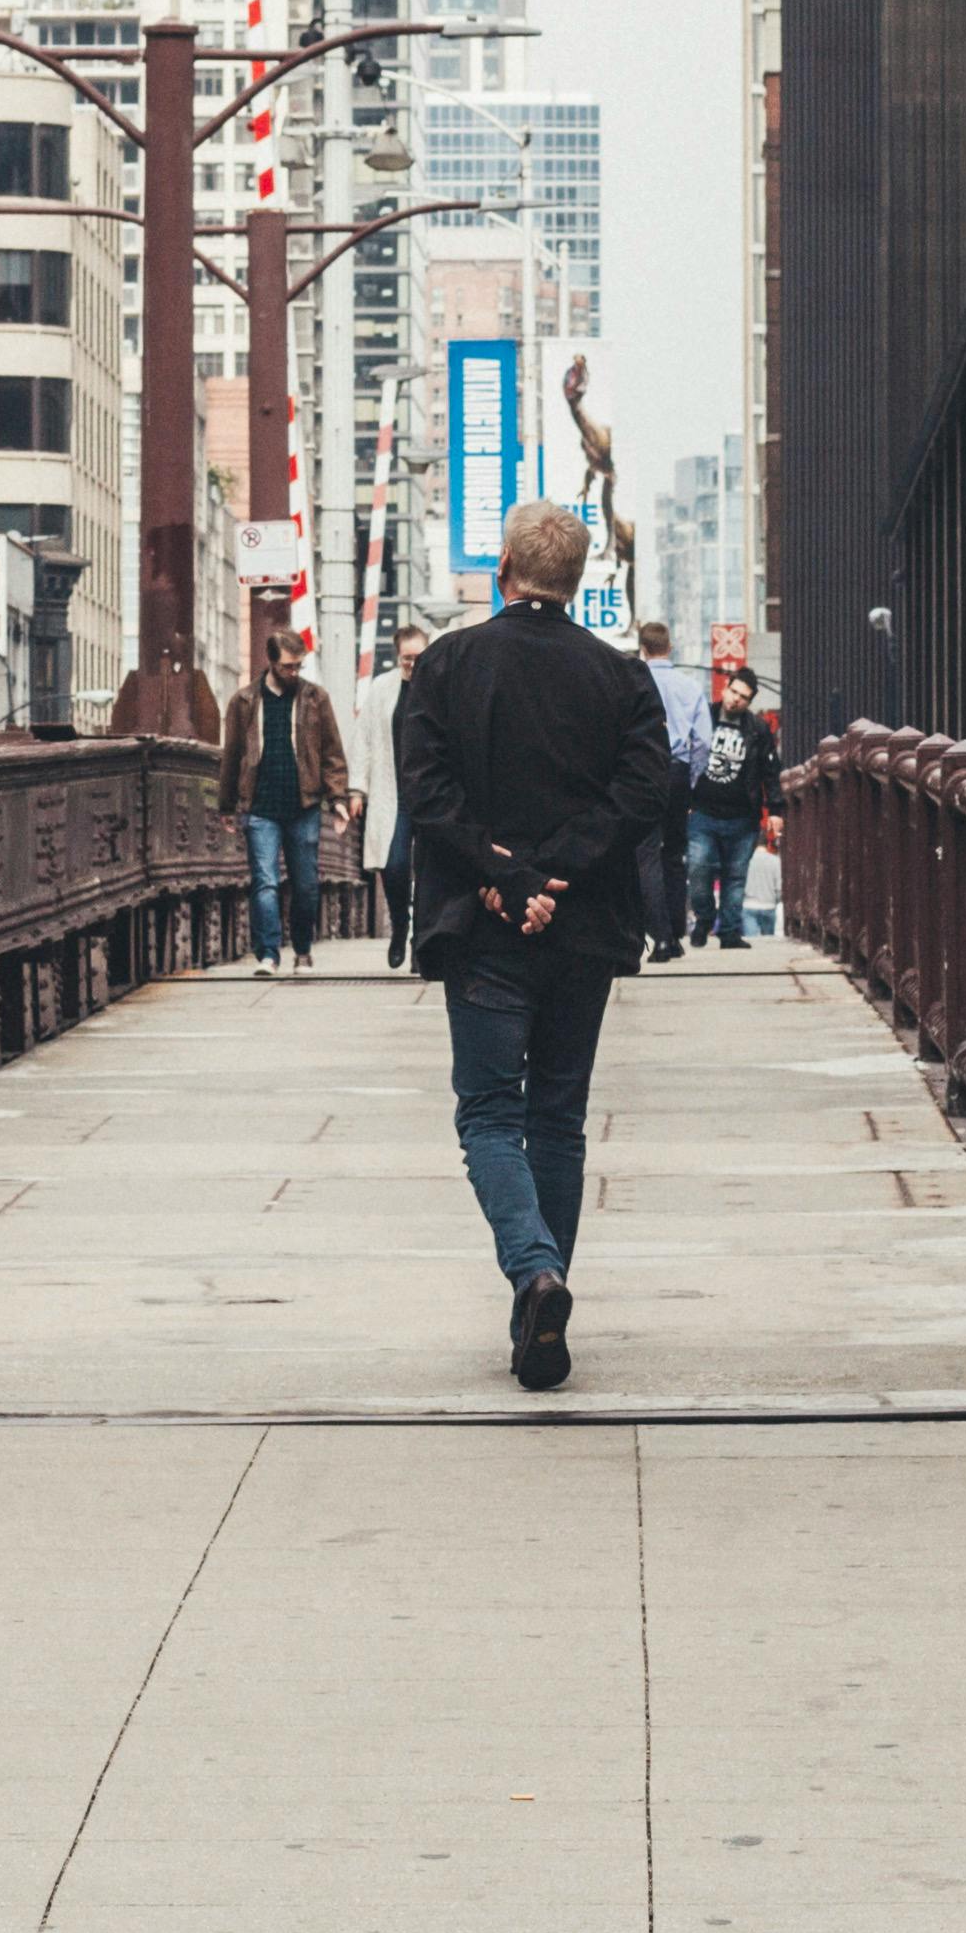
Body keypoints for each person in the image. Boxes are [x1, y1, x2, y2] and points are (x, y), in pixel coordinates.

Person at [397, 502, 680, 1390]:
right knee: (557, 1117)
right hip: (585, 928)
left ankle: (534, 1273)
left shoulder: (444, 665)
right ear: (577, 577)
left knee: (488, 1113)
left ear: (506, 568)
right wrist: (558, 871)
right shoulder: (620, 677)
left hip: (482, 929)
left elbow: (425, 789)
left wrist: (503, 874)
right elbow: (646, 789)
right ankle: (544, 1297)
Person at [212, 633, 351, 975]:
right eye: (288, 666)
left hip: (303, 805)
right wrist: (227, 804)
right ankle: (269, 955)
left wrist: (338, 799)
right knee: (265, 882)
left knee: (305, 884)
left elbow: (332, 752)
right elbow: (231, 755)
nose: (294, 672)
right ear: (271, 662)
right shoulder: (244, 701)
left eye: (298, 666)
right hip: (260, 807)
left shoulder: (316, 698)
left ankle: (302, 952)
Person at [630, 621, 711, 961]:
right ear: (670, 647)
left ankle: (660, 936)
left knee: (645, 852)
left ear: (642, 648)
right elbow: (703, 741)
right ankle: (676, 931)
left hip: (644, 771)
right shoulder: (688, 687)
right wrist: (690, 779)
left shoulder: (633, 682)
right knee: (674, 853)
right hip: (677, 772)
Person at [688, 662, 782, 947]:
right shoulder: (704, 715)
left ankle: (728, 932)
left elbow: (771, 771)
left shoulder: (757, 729)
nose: (735, 699)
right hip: (703, 811)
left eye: (742, 696)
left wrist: (776, 811)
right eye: (733, 691)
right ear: (725, 688)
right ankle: (704, 918)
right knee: (698, 868)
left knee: (735, 876)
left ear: (749, 701)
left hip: (742, 816)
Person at [359, 623, 432, 970]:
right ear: (397, 656)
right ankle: (400, 924)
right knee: (395, 865)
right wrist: (357, 788)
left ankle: (422, 941)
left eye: (419, 658)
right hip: (394, 793)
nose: (413, 665)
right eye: (407, 659)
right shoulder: (381, 689)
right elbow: (366, 740)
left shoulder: (439, 685)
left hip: (432, 795)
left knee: (430, 870)